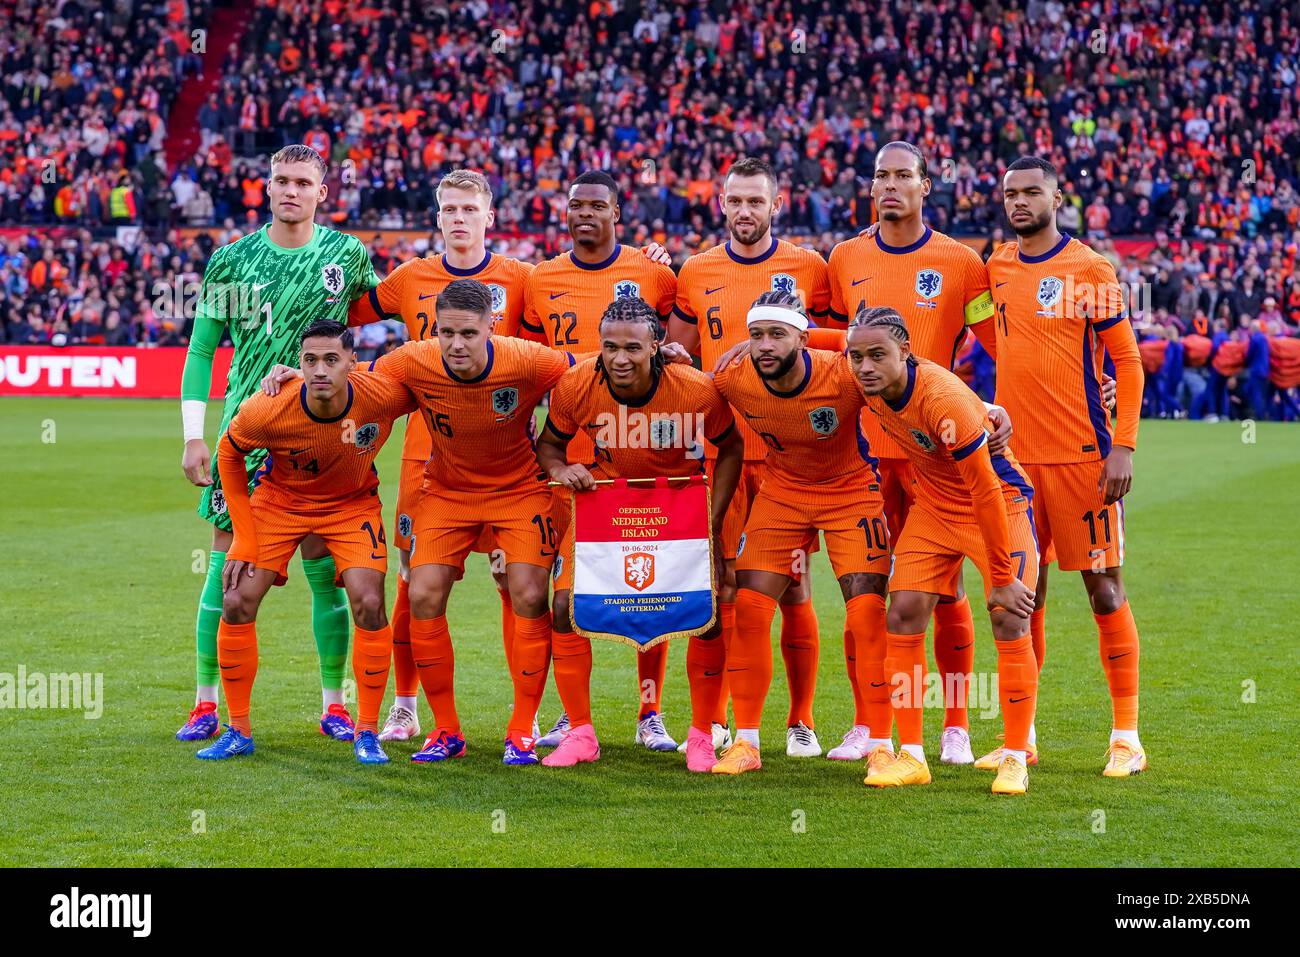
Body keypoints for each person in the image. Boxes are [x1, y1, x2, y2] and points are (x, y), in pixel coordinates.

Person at [177, 144, 381, 744]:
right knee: (224, 571)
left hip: (321, 437)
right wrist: (194, 438)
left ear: (323, 192)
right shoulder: (233, 261)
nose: (290, 190)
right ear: (267, 187)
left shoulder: (347, 254)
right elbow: (201, 350)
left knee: (325, 571)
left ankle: (334, 704)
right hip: (246, 434)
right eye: (280, 181)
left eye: (302, 182)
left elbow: (383, 315)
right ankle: (206, 703)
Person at [824, 140, 1001, 764]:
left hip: (936, 456)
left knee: (944, 591)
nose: (890, 185)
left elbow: (1003, 344)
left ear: (927, 186)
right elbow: (828, 340)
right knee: (868, 589)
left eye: (903, 175)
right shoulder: (843, 258)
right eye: (880, 176)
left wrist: (1090, 379)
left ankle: (955, 725)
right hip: (865, 453)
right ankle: (869, 724)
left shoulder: (960, 262)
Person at [347, 168, 534, 745]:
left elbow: (549, 350)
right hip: (425, 458)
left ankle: (521, 717)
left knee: (514, 583)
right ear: (437, 217)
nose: (458, 219)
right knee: (414, 584)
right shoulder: (410, 278)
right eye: (448, 210)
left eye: (468, 210)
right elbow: (348, 313)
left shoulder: (522, 279)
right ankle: (406, 707)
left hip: (506, 459)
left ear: (489, 217)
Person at [975, 156, 1147, 776]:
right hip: (1016, 465)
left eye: (1031, 192)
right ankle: (1022, 739)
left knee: (1103, 592)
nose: (1020, 202)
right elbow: (990, 332)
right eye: (1010, 193)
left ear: (1056, 197)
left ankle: (1126, 735)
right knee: (1025, 596)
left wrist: (1122, 444)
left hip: (1083, 460)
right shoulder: (994, 264)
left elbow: (1127, 360)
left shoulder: (1089, 268)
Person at [666, 155, 832, 758]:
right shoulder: (697, 270)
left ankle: (802, 720)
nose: (744, 211)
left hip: (792, 453)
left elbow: (843, 347)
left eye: (755, 201)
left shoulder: (810, 268)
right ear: (722, 204)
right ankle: (716, 727)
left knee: (795, 585)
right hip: (723, 452)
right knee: (721, 587)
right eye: (734, 201)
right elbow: (676, 354)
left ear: (776, 204)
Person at [536, 297, 743, 771]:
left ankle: (701, 735)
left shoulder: (693, 390)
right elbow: (550, 443)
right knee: (565, 607)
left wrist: (713, 516)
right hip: (606, 507)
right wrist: (562, 466)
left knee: (704, 614)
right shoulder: (576, 385)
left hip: (679, 511)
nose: (620, 358)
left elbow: (730, 445)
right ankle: (581, 732)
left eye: (632, 347)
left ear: (656, 347)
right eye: (610, 346)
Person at [844, 306, 1039, 795]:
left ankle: (1016, 756)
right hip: (934, 507)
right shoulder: (867, 377)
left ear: (906, 353)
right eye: (856, 356)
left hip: (998, 503)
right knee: (904, 611)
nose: (864, 366)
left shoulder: (943, 398)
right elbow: (825, 343)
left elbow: (986, 490)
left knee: (1008, 616)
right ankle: (911, 755)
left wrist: (1000, 576)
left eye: (876, 355)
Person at [203, 321, 417, 764]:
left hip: (351, 504)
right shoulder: (270, 406)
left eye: (331, 360)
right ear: (298, 365)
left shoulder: (381, 394)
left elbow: (429, 386)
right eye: (310, 360)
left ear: (352, 364)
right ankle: (237, 729)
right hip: (280, 502)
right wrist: (242, 536)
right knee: (237, 599)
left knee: (368, 603)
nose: (320, 369)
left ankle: (367, 731)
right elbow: (228, 451)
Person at [520, 170, 681, 752]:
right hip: (571, 461)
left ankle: (650, 713)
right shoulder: (542, 280)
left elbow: (679, 351)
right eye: (575, 205)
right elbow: (531, 360)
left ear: (618, 211)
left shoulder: (655, 273)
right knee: (564, 596)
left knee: (652, 593)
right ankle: (572, 716)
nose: (584, 214)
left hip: (642, 455)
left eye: (597, 206)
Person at [708, 290, 890, 775]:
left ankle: (881, 744)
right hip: (782, 491)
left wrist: (985, 409)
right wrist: (671, 355)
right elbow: (683, 391)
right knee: (748, 607)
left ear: (803, 339)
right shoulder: (732, 377)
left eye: (777, 334)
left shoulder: (845, 373)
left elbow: (904, 371)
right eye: (756, 335)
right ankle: (745, 743)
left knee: (868, 611)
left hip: (851, 490)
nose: (764, 345)